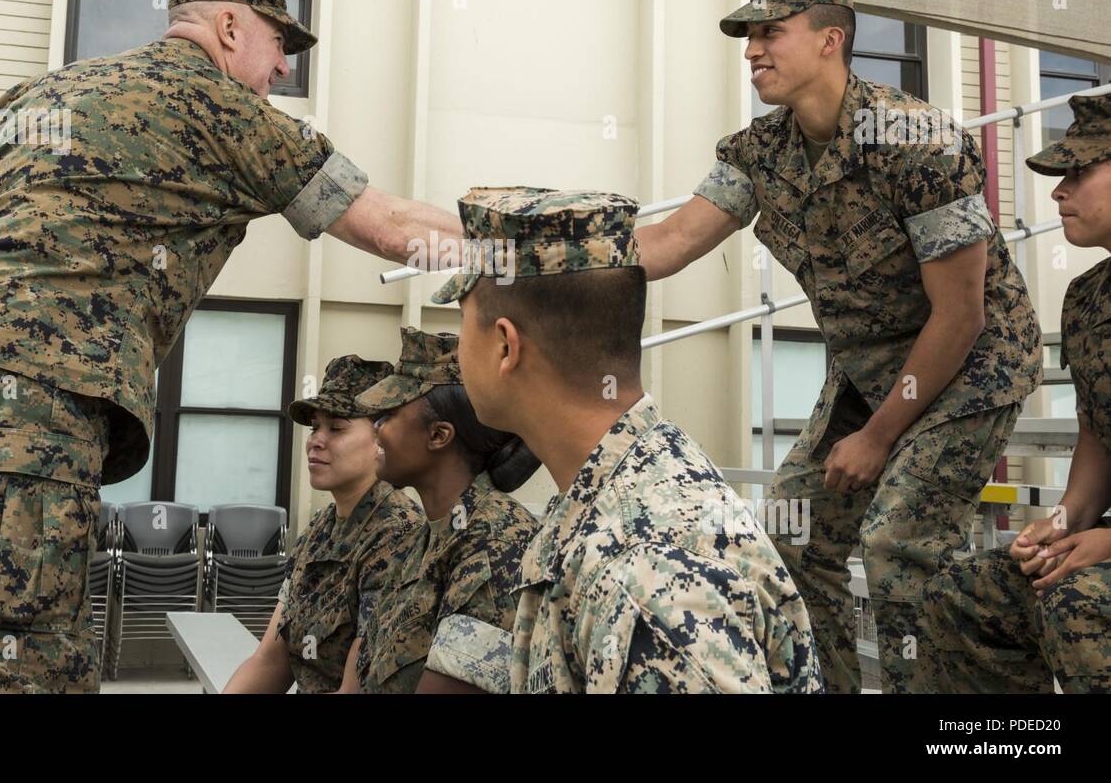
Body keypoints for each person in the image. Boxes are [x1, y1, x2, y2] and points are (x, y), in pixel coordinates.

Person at [0, 0, 464, 693]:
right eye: (279, 45)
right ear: (231, 25)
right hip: (28, 397)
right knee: (11, 653)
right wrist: (526, 246)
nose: (279, 69)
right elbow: (395, 229)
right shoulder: (229, 112)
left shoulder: (40, 92)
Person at [631, 0, 1042, 692]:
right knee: (787, 534)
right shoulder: (759, 155)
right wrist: (536, 252)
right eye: (747, 35)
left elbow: (961, 312)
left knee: (896, 545)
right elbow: (662, 246)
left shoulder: (918, 140)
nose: (752, 49)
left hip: (974, 361)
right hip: (868, 370)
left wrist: (879, 436)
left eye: (770, 32)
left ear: (830, 41)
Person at [437, 187, 822, 693]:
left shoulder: (643, 574)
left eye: (462, 321)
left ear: (506, 345)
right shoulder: (627, 483)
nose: (457, 347)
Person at [924, 90, 1111, 692]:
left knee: (1079, 602)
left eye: (1078, 172)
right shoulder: (1087, 300)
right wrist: (1061, 522)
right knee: (967, 590)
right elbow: (1097, 438)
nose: (1059, 191)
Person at [352, 326, 540, 694]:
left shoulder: (495, 542)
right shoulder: (426, 537)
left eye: (387, 416)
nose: (375, 430)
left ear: (438, 435)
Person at [222, 355, 422, 693]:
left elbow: (357, 686)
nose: (316, 440)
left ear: (381, 439)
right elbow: (271, 659)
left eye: (337, 427)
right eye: (315, 426)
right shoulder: (320, 529)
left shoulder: (399, 534)